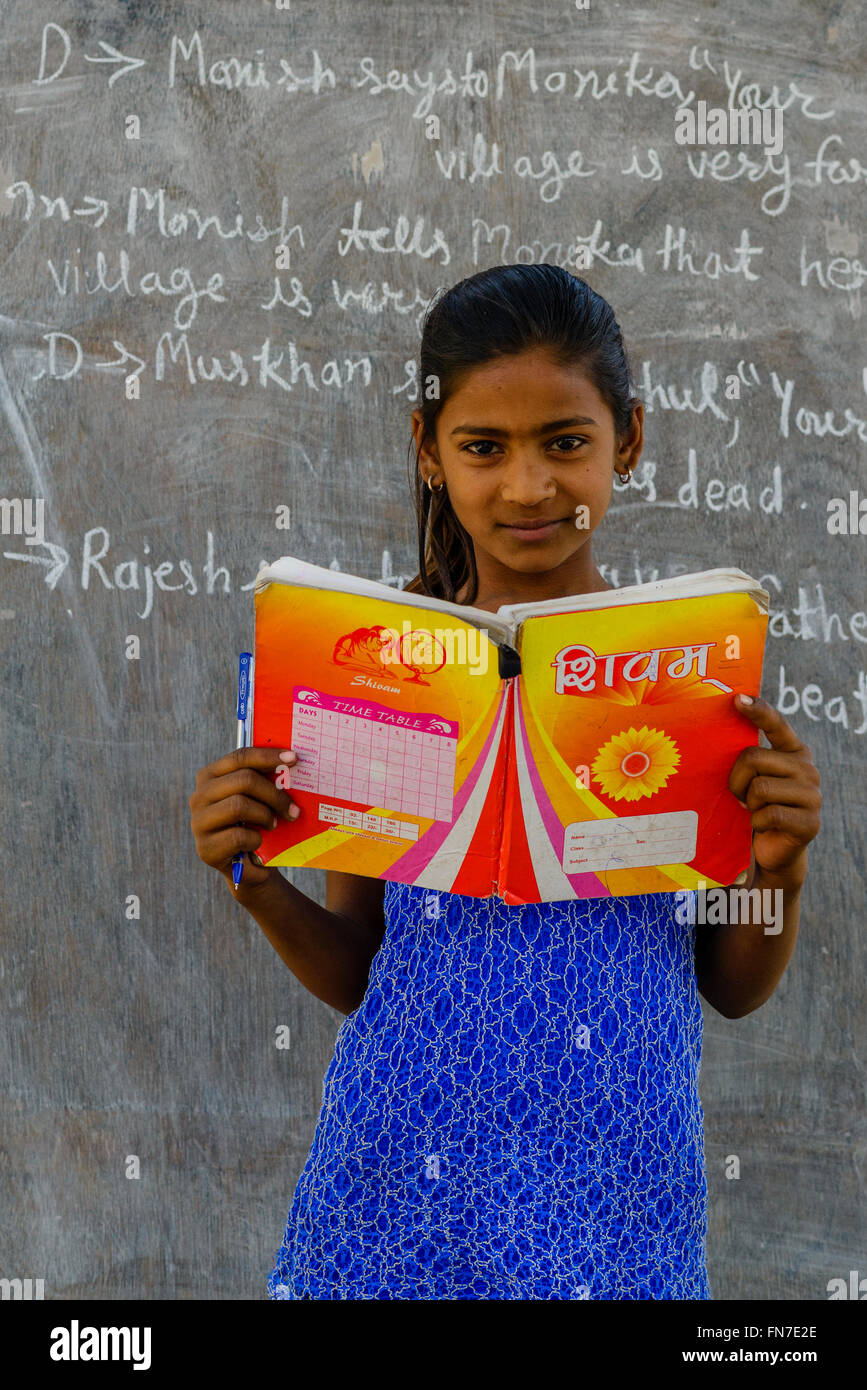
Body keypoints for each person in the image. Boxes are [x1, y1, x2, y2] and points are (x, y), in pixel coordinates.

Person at [189, 265, 821, 1300]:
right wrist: (253, 875)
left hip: (617, 1199)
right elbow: (358, 967)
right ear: (429, 451)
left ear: (630, 440)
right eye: (484, 447)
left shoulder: (689, 675)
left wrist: (780, 870)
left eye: (566, 442)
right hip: (397, 1196)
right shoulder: (381, 668)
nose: (528, 487)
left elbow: (732, 985)